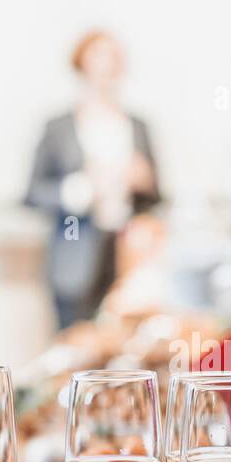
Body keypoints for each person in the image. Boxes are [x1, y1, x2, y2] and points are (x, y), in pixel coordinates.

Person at [25, 30, 160, 329]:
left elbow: (155, 196)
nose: (106, 68)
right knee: (77, 349)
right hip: (75, 255)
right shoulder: (58, 127)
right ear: (81, 66)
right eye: (98, 59)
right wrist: (82, 189)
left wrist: (144, 181)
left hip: (128, 255)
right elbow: (33, 193)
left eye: (113, 59)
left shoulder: (138, 127)